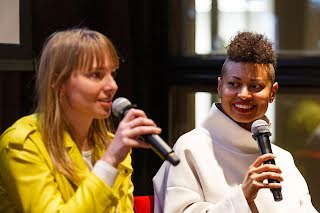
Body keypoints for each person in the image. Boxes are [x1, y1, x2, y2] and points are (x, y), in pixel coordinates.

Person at [153, 32, 318, 212]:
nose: (243, 94)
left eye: (255, 86)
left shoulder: (283, 160)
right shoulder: (189, 148)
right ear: (219, 87)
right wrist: (242, 197)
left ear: (273, 93)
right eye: (233, 84)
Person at [0, 28, 161, 212]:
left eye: (112, 74)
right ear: (58, 82)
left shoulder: (109, 143)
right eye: (96, 75)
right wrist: (110, 161)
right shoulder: (22, 144)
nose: (113, 86)